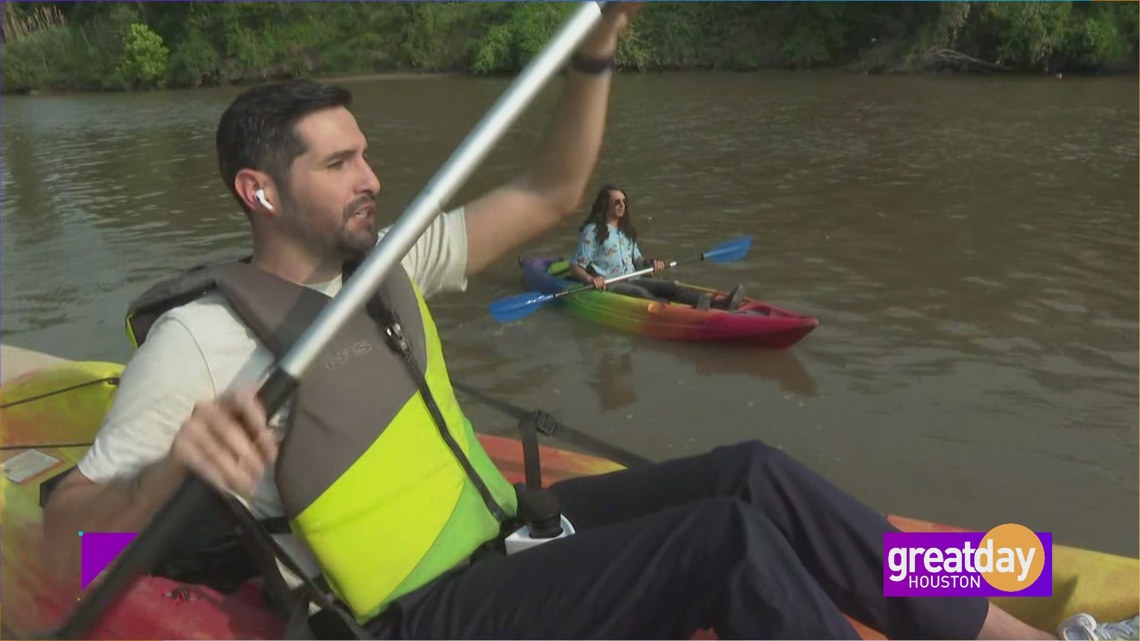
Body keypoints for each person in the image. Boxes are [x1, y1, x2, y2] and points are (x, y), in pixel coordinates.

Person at [41, 6, 1136, 639]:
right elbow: (70, 532)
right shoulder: (202, 342)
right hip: (426, 613)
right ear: (260, 191)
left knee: (755, 468)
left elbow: (555, 189)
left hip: (509, 528)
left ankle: (1002, 626)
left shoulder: (389, 261)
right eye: (341, 163)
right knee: (722, 540)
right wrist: (171, 469)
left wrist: (598, 45)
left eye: (368, 152)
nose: (374, 177)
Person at [568, 185, 747, 311]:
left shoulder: (626, 231)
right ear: (605, 205)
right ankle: (685, 314)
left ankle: (720, 304)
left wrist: (651, 263)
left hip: (633, 278)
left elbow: (638, 260)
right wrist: (591, 279)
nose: (622, 205)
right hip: (611, 284)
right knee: (641, 293)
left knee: (671, 286)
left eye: (624, 201)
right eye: (617, 202)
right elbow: (575, 266)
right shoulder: (592, 231)